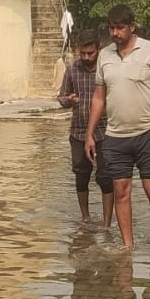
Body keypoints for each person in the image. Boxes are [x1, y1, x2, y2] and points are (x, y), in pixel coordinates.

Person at [83, 5, 150, 247]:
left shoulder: (149, 50)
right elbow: (99, 97)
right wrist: (90, 134)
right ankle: (127, 246)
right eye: (111, 27)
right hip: (115, 136)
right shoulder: (105, 56)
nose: (115, 32)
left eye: (120, 27)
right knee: (121, 190)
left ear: (132, 27)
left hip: (147, 133)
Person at [59, 29, 112, 221]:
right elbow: (61, 98)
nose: (87, 57)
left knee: (105, 177)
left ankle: (107, 222)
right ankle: (85, 218)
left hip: (105, 131)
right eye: (83, 53)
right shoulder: (73, 69)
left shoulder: (106, 68)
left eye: (91, 53)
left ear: (98, 49)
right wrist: (69, 100)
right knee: (81, 176)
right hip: (79, 132)